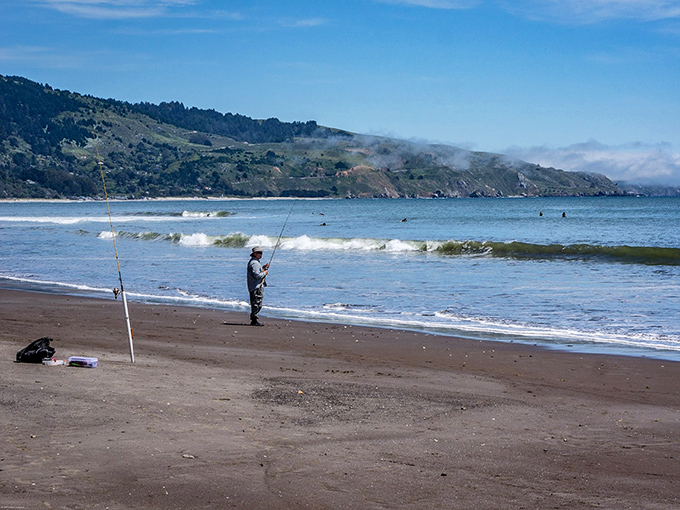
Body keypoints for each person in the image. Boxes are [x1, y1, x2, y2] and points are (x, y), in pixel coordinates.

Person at [247, 246, 269, 326]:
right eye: (259, 253)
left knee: (257, 303)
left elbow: (257, 272)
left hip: (256, 286)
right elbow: (256, 275)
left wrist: (263, 268)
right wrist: (264, 273)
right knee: (257, 304)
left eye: (261, 253)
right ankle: (254, 320)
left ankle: (254, 319)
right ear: (255, 254)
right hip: (256, 287)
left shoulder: (256, 262)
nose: (261, 254)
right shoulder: (254, 263)